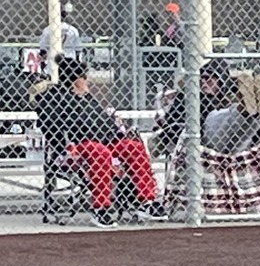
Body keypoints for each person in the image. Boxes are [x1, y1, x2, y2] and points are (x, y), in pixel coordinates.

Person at [36, 54, 165, 226]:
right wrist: (63, 147)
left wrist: (118, 128)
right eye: (84, 78)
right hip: (77, 148)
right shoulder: (56, 98)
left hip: (105, 142)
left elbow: (106, 125)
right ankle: (101, 208)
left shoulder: (88, 99)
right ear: (76, 79)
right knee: (100, 152)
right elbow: (53, 129)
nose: (87, 81)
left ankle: (146, 200)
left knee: (133, 147)